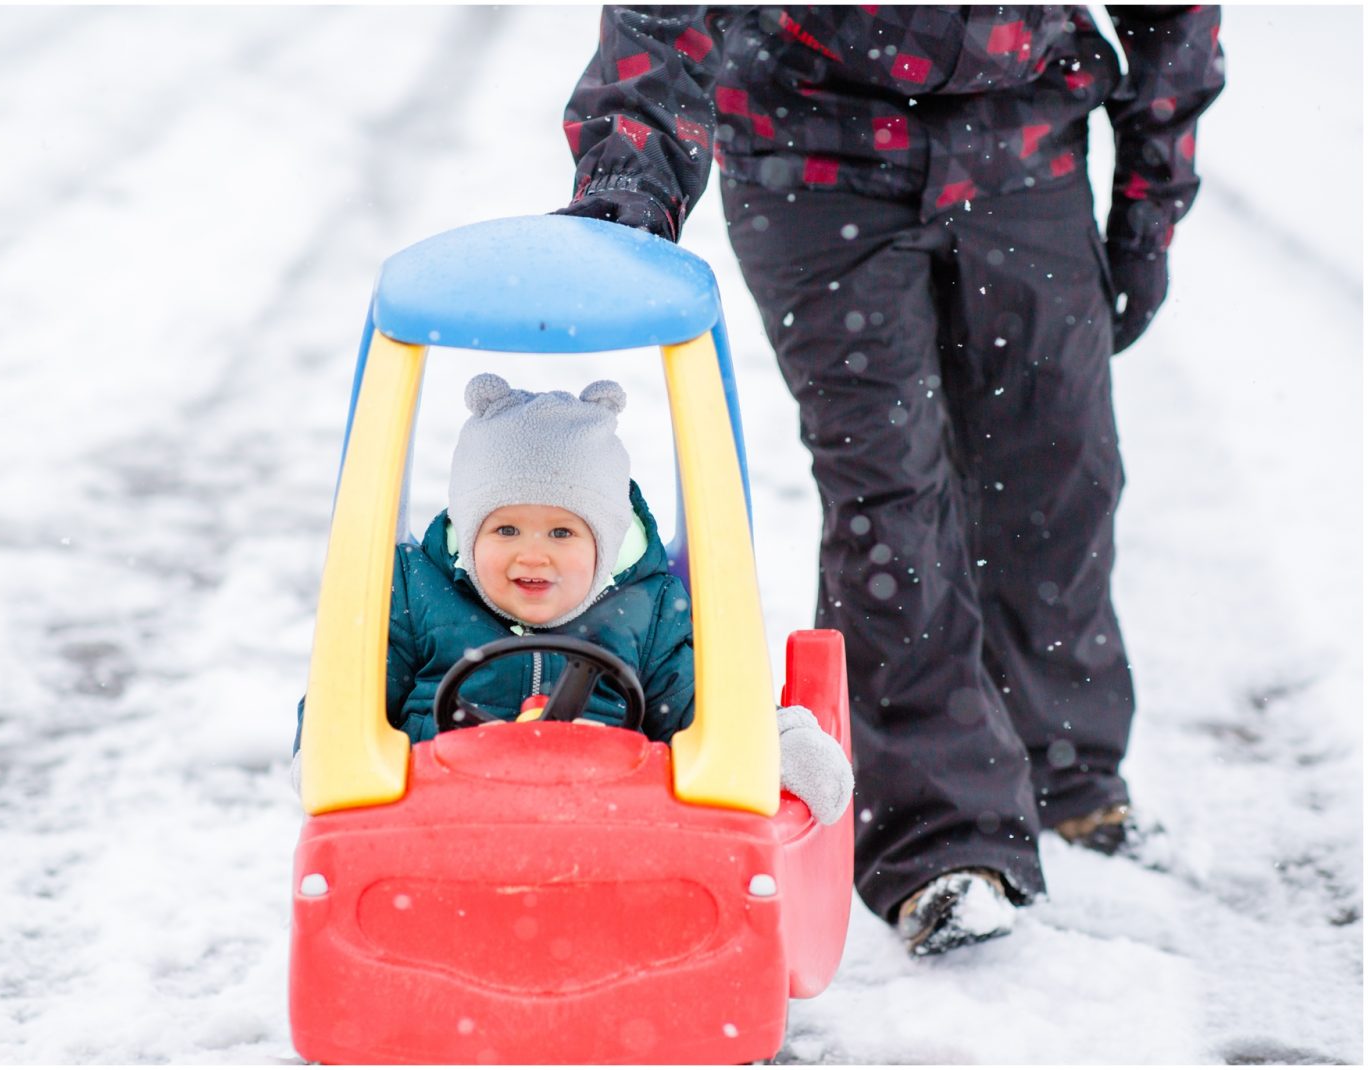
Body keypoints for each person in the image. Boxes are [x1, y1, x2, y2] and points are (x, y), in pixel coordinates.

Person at [554, 5, 1223, 955]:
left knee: (1056, 471)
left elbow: (1174, 17)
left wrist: (1150, 210)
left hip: (1021, 145)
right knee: (889, 495)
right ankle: (939, 841)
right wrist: (631, 180)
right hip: (812, 152)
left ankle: (1064, 766)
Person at [292, 372, 854, 825]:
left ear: (603, 545)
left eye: (562, 533)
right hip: (437, 830)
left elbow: (705, 708)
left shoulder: (646, 612)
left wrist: (775, 741)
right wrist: (330, 747)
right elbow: (354, 692)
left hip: (606, 836)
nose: (533, 555)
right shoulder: (419, 594)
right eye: (505, 530)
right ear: (468, 533)